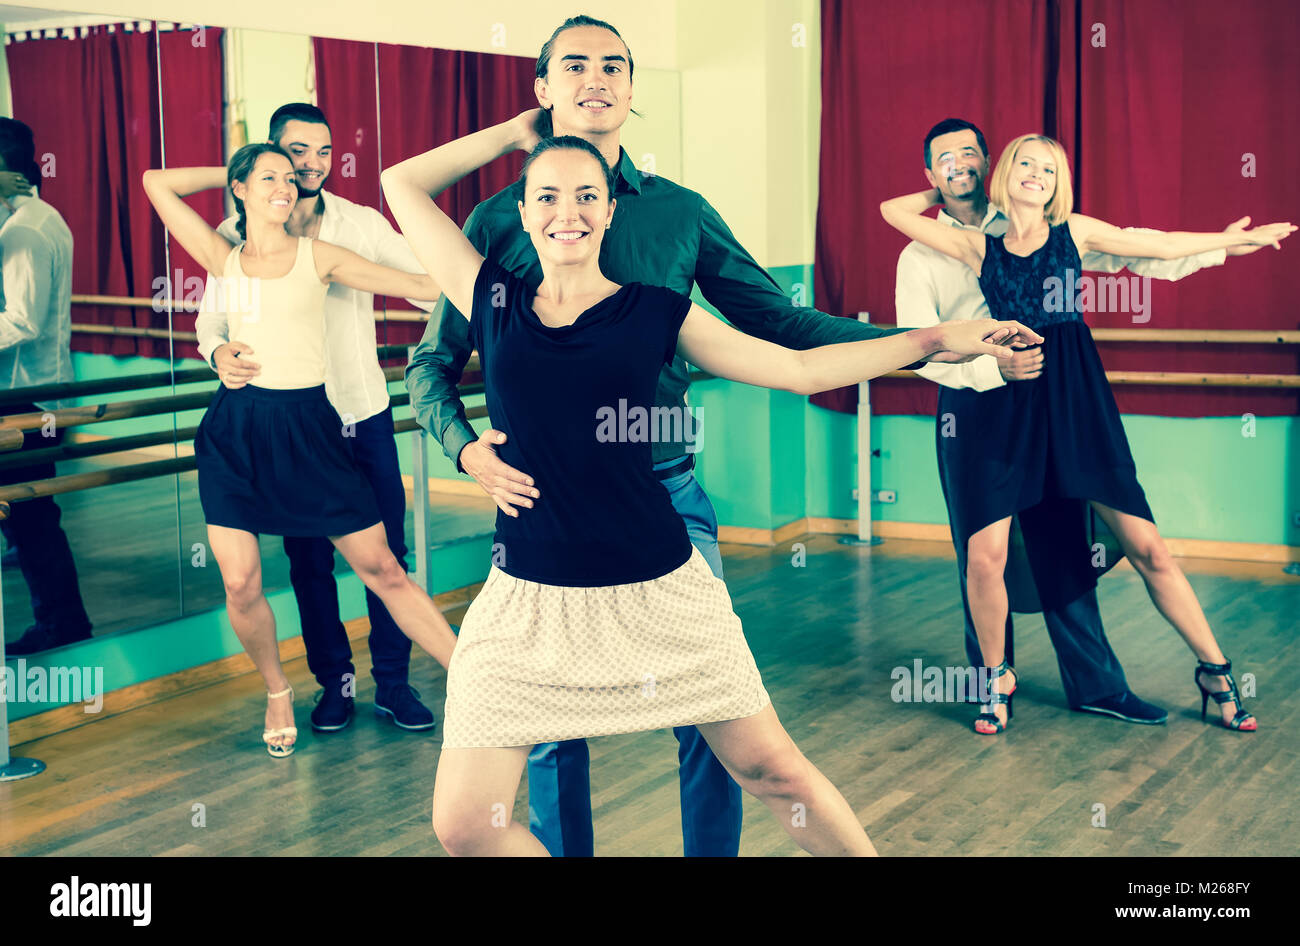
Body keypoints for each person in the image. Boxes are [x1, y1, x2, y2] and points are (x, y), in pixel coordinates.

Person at [404, 14, 988, 859]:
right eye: (574, 65)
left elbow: (784, 340)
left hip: (662, 505)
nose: (595, 79)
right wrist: (462, 448)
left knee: (727, 744)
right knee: (535, 758)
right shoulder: (493, 250)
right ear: (543, 91)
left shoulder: (673, 234)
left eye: (614, 65)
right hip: (535, 549)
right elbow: (430, 355)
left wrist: (933, 342)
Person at [881, 132, 1294, 735]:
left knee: (1120, 545)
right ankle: (993, 684)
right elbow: (917, 332)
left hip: (1072, 399)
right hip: (984, 410)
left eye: (1046, 168)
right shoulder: (958, 247)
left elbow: (1146, 247)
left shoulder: (1069, 229)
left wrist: (1235, 241)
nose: (1035, 174)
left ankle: (1181, 674)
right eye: (1026, 164)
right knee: (983, 554)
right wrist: (948, 183)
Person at [142, 143, 458, 757]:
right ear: (240, 187)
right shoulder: (222, 257)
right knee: (239, 583)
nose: (286, 187)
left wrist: (495, 266)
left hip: (312, 429)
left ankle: (474, 683)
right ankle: (277, 689)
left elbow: (422, 285)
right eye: (270, 178)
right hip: (237, 434)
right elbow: (157, 181)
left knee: (383, 568)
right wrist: (235, 166)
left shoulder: (321, 256)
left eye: (291, 179)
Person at [0, 117, 94, 657]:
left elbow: (23, 320)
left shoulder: (26, 230)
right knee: (33, 520)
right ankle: (63, 620)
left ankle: (62, 623)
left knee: (35, 521)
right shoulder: (37, 219)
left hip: (23, 398)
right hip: (33, 391)